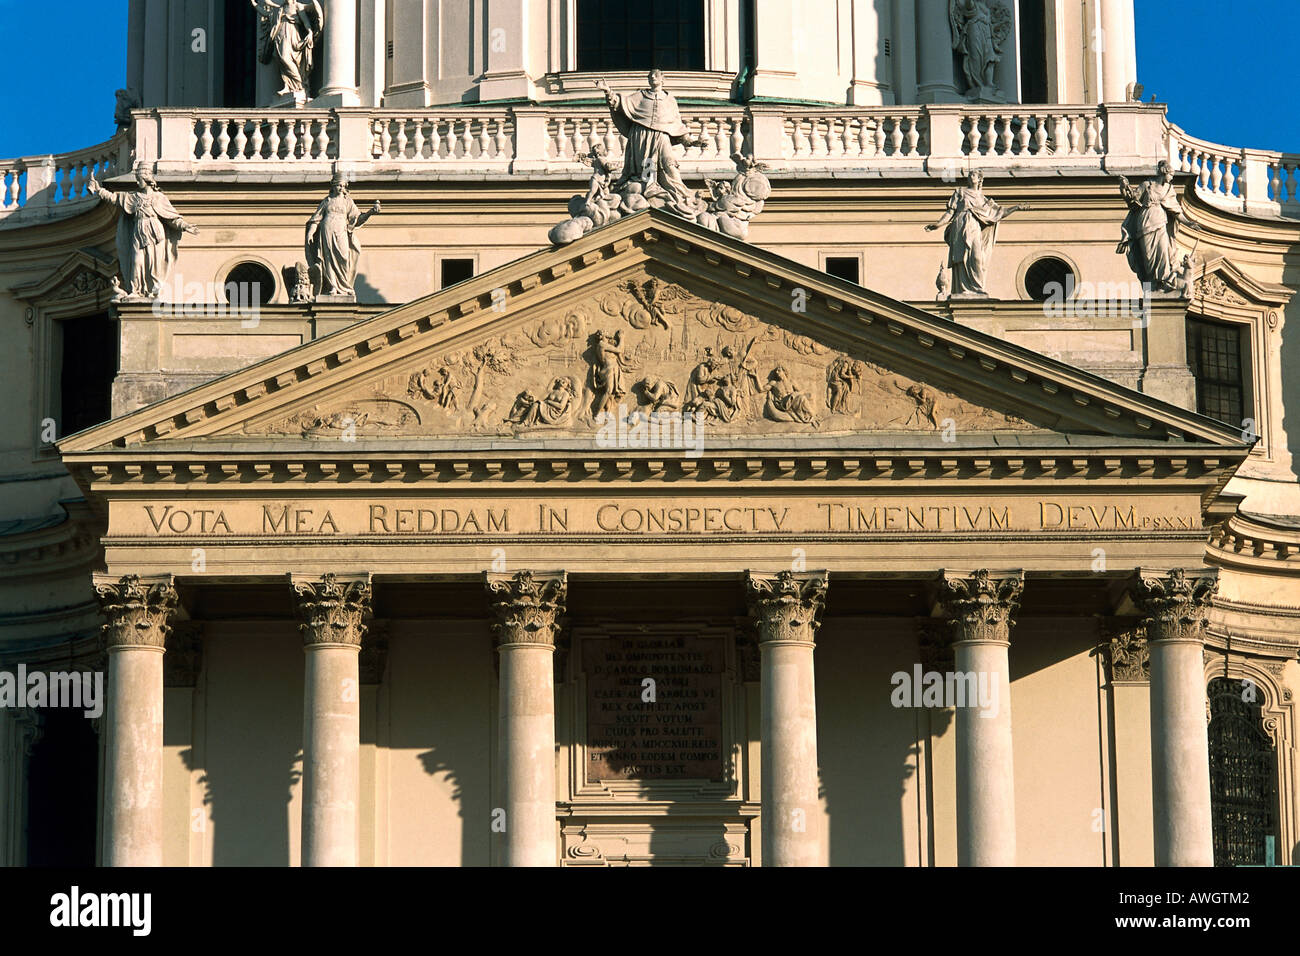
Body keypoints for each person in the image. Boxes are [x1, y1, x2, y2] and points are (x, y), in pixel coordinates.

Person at [595, 70, 707, 212]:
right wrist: (608, 91)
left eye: (656, 75)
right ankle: (649, 192)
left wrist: (690, 141)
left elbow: (676, 124)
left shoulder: (670, 100)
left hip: (661, 136)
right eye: (650, 76)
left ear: (663, 79)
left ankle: (683, 197)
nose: (652, 77)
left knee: (670, 165)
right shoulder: (640, 96)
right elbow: (620, 103)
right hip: (641, 136)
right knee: (645, 169)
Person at [88, 165, 198, 299]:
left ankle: (154, 288)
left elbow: (171, 217)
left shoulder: (158, 198)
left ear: (145, 178)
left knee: (154, 262)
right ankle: (136, 290)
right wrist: (98, 189)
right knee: (136, 261)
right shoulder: (133, 197)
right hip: (139, 229)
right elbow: (114, 199)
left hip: (154, 230)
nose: (137, 181)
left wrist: (185, 226)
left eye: (138, 178)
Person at [926, 171, 1027, 295]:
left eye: (973, 175)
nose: (970, 176)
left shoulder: (984, 200)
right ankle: (961, 290)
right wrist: (937, 224)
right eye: (969, 175)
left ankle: (976, 288)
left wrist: (1016, 208)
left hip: (974, 227)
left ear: (980, 179)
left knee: (976, 257)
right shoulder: (960, 192)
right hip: (959, 225)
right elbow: (950, 213)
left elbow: (999, 213)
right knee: (961, 259)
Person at [1117, 161, 1195, 292]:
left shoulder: (1169, 190)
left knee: (1163, 251)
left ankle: (1162, 282)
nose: (1172, 177)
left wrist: (1188, 222)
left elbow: (1176, 211)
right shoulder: (1147, 185)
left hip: (1160, 223)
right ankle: (1152, 281)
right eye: (1171, 174)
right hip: (1144, 222)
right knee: (1148, 255)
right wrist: (1124, 188)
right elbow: (1132, 200)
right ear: (1164, 172)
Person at [305, 173, 381, 297]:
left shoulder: (348, 202)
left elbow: (358, 218)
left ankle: (344, 286)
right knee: (328, 258)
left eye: (343, 186)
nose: (341, 188)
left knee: (344, 257)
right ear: (333, 186)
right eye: (338, 185)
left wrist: (370, 212)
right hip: (327, 230)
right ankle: (333, 287)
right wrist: (310, 233)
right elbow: (316, 219)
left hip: (341, 230)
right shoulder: (327, 201)